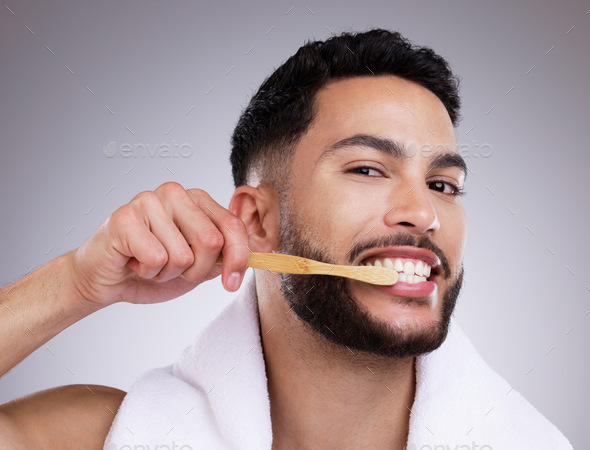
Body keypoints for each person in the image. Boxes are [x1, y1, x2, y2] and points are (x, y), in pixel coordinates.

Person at [0, 29, 571, 449]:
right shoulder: (109, 436)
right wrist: (75, 282)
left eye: (443, 183)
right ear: (256, 223)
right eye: (368, 169)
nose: (423, 213)